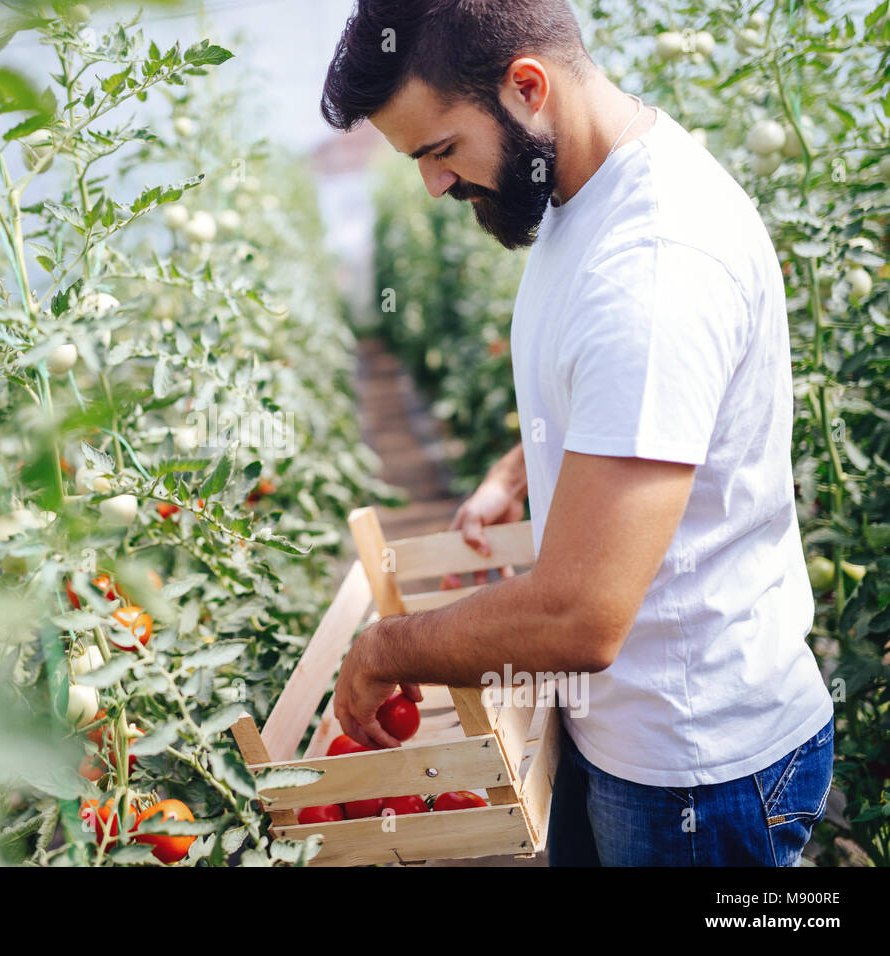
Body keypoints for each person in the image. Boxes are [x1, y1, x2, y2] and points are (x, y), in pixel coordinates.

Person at [320, 0, 834, 866]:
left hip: (696, 780)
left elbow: (579, 614)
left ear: (528, 86)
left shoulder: (656, 263)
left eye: (439, 151)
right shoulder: (580, 194)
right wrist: (520, 471)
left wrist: (387, 647)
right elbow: (633, 402)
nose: (434, 186)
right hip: (619, 733)